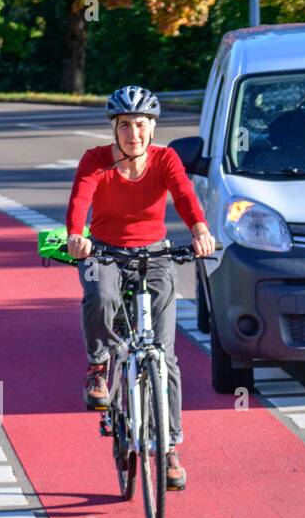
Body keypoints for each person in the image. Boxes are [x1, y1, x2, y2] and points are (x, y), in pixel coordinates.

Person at [65, 85, 216, 490]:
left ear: (153, 128)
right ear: (114, 129)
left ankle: (168, 450)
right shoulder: (96, 161)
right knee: (100, 293)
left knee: (164, 357)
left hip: (155, 256)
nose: (135, 132)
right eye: (126, 125)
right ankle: (98, 369)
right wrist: (76, 236)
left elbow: (185, 196)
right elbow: (80, 201)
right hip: (105, 253)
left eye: (142, 124)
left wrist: (200, 230)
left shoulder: (165, 159)